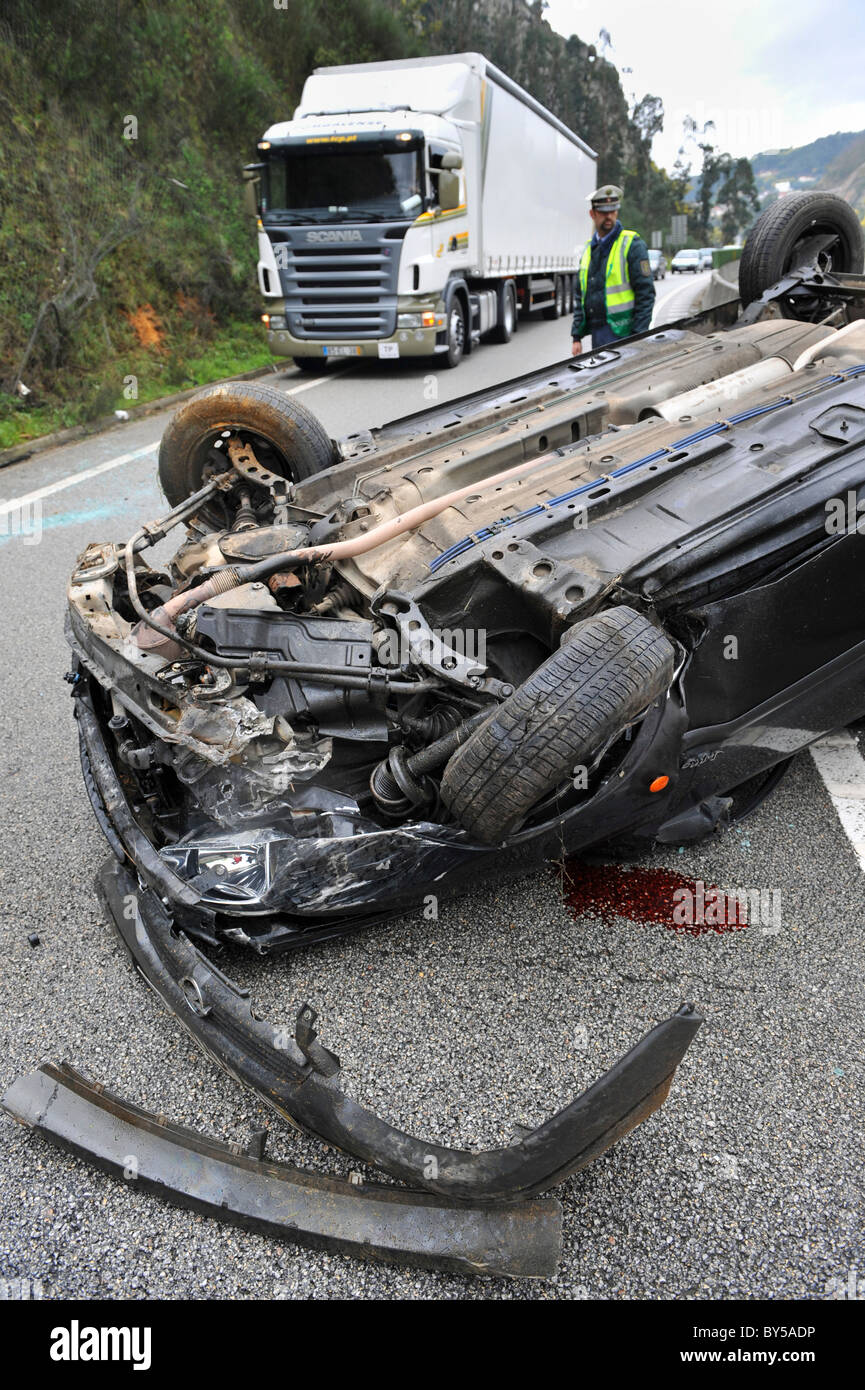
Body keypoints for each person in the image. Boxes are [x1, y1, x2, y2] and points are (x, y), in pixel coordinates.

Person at [571, 185, 655, 354]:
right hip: (599, 333)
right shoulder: (588, 251)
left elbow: (646, 294)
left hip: (626, 333)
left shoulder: (632, 244)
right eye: (603, 212)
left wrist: (638, 337)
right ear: (592, 214)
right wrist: (576, 336)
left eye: (613, 211)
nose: (609, 216)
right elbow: (581, 296)